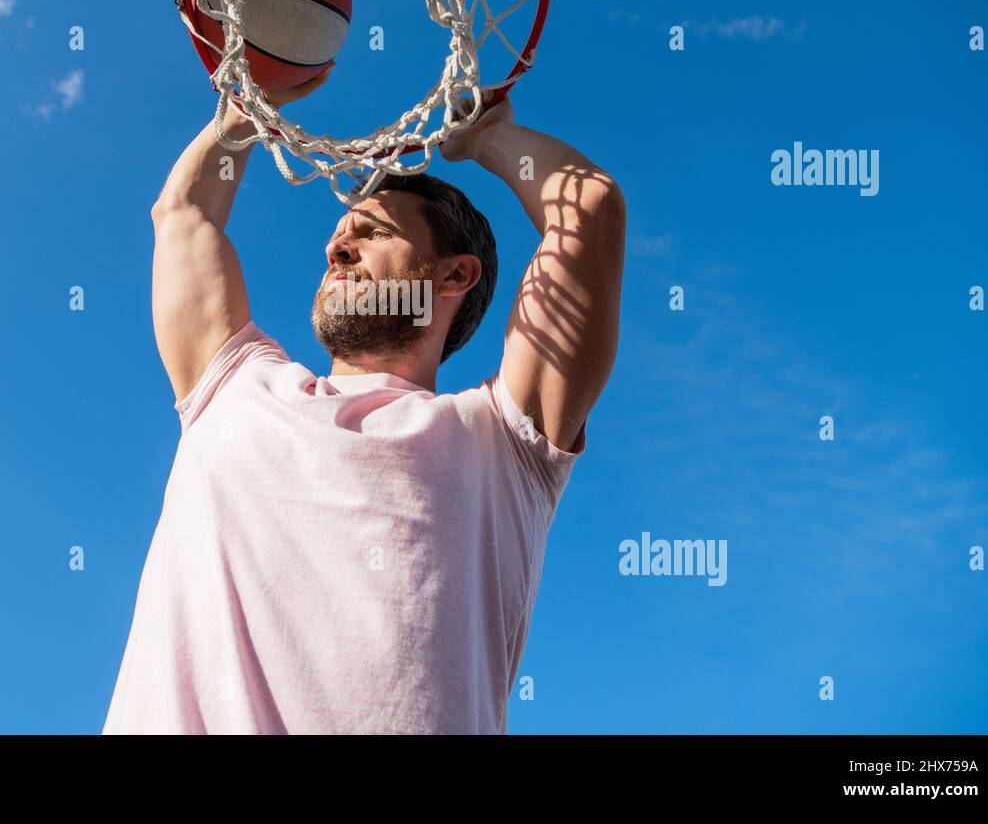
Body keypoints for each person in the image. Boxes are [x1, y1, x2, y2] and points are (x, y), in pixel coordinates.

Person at [103, 66, 626, 733]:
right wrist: (238, 120)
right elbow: (184, 213)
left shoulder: (503, 440)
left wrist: (490, 137)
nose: (335, 245)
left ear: (454, 274)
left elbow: (588, 212)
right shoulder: (232, 386)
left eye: (372, 232)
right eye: (341, 234)